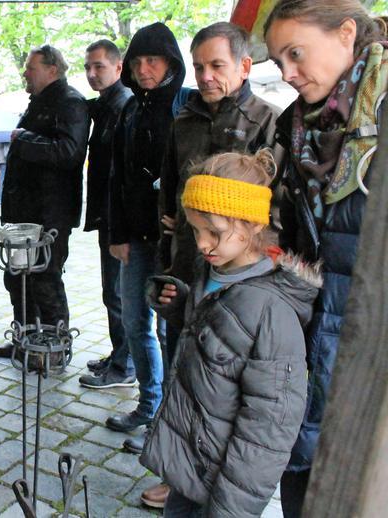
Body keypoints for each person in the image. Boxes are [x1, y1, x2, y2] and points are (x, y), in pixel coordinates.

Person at [134, 21, 284, 508]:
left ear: (245, 65)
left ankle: (211, 481)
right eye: (199, 67)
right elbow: (170, 190)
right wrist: (169, 243)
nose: (206, 76)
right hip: (186, 266)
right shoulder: (185, 120)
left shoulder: (269, 121)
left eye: (217, 65)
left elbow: (274, 210)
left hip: (236, 278)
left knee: (221, 385)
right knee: (182, 370)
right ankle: (178, 474)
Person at [140, 149, 319, 517]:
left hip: (223, 485)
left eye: (215, 232)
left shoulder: (273, 311)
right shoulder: (215, 270)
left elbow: (268, 431)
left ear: (252, 224)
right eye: (196, 230)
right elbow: (222, 341)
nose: (202, 243)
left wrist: (229, 510)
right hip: (192, 466)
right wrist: (181, 304)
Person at [264, 2, 388, 515]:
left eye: (296, 54)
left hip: (369, 356)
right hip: (312, 341)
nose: (287, 73)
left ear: (345, 33)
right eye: (279, 61)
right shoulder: (295, 126)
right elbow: (295, 241)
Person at [104, 22, 190, 432]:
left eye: (152, 60)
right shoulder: (130, 110)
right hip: (135, 238)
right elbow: (117, 176)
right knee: (135, 323)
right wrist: (116, 234)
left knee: (170, 330)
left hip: (173, 241)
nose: (143, 69)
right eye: (137, 62)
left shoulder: (187, 107)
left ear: (171, 62)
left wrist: (184, 220)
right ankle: (148, 404)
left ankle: (167, 422)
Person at [0, 45, 90, 357]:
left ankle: (54, 350)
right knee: (17, 279)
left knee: (45, 281)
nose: (25, 73)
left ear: (52, 69)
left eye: (30, 68)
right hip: (25, 213)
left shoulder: (70, 102)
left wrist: (23, 138)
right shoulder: (39, 102)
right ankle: (25, 342)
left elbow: (69, 153)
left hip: (49, 214)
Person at [77, 39, 136, 389]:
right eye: (87, 67)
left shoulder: (123, 105)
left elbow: (121, 173)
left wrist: (118, 226)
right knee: (111, 292)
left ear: (118, 67)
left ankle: (125, 366)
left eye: (98, 66)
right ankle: (119, 355)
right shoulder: (105, 105)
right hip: (107, 214)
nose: (91, 73)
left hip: (118, 219)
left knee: (118, 293)